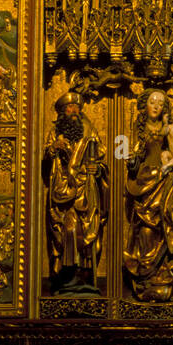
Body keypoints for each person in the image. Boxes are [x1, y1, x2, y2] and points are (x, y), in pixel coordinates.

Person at [123, 89, 173, 301]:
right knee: (145, 229)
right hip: (145, 182)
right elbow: (131, 156)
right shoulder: (138, 128)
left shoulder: (168, 128)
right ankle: (145, 274)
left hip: (167, 179)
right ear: (145, 105)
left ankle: (164, 271)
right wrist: (132, 160)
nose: (155, 106)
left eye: (160, 103)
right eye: (152, 102)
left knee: (166, 226)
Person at [42, 91, 108, 292]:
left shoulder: (89, 131)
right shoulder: (55, 132)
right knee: (68, 230)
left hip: (85, 190)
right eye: (69, 108)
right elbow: (46, 158)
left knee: (88, 232)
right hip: (62, 190)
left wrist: (97, 169)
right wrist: (53, 148)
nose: (74, 111)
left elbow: (102, 158)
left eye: (77, 108)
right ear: (63, 112)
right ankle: (67, 273)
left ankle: (84, 275)